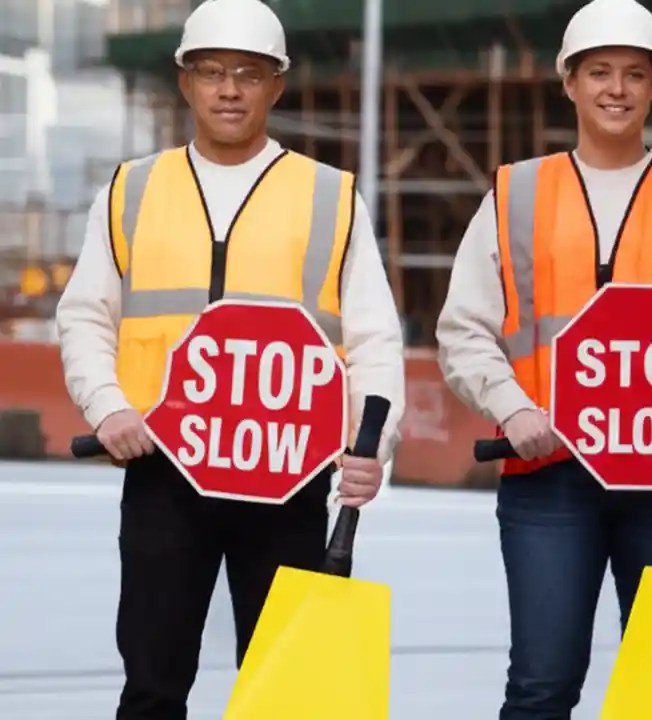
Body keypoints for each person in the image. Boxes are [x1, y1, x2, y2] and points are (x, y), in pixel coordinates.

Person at [435, 0, 652, 715]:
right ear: (569, 82)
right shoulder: (515, 193)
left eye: (634, 73)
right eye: (599, 72)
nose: (617, 89)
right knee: (543, 683)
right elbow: (464, 328)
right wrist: (514, 409)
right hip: (547, 478)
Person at [53, 0, 405, 717]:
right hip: (164, 475)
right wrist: (108, 405)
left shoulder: (329, 197)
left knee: (290, 692)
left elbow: (373, 339)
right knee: (152, 685)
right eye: (211, 72)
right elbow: (85, 314)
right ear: (185, 82)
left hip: (289, 476)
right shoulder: (131, 190)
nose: (229, 89)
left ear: (278, 84)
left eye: (249, 73)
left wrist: (376, 445)